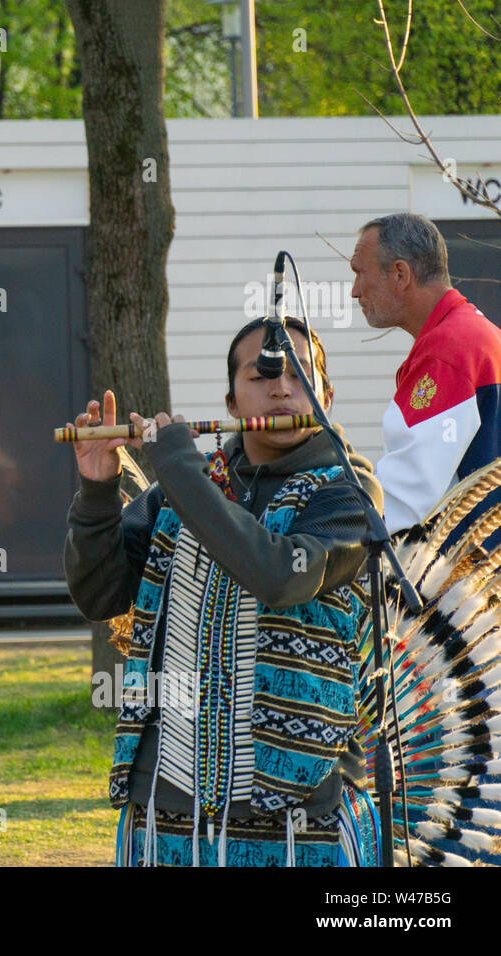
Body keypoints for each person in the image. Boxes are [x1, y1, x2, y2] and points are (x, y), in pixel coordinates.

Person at [64, 318, 383, 866]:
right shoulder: (182, 489)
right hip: (169, 802)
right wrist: (97, 490)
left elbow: (280, 575)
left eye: (301, 375)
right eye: (261, 375)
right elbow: (101, 595)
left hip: (304, 811)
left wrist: (181, 472)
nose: (282, 389)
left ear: (326, 397)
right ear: (232, 403)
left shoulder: (349, 490)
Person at [350, 213, 501, 533]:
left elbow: (403, 499)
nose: (354, 291)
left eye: (360, 274)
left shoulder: (448, 349)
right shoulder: (477, 334)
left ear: (400, 274)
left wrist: (333, 541)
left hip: (463, 574)